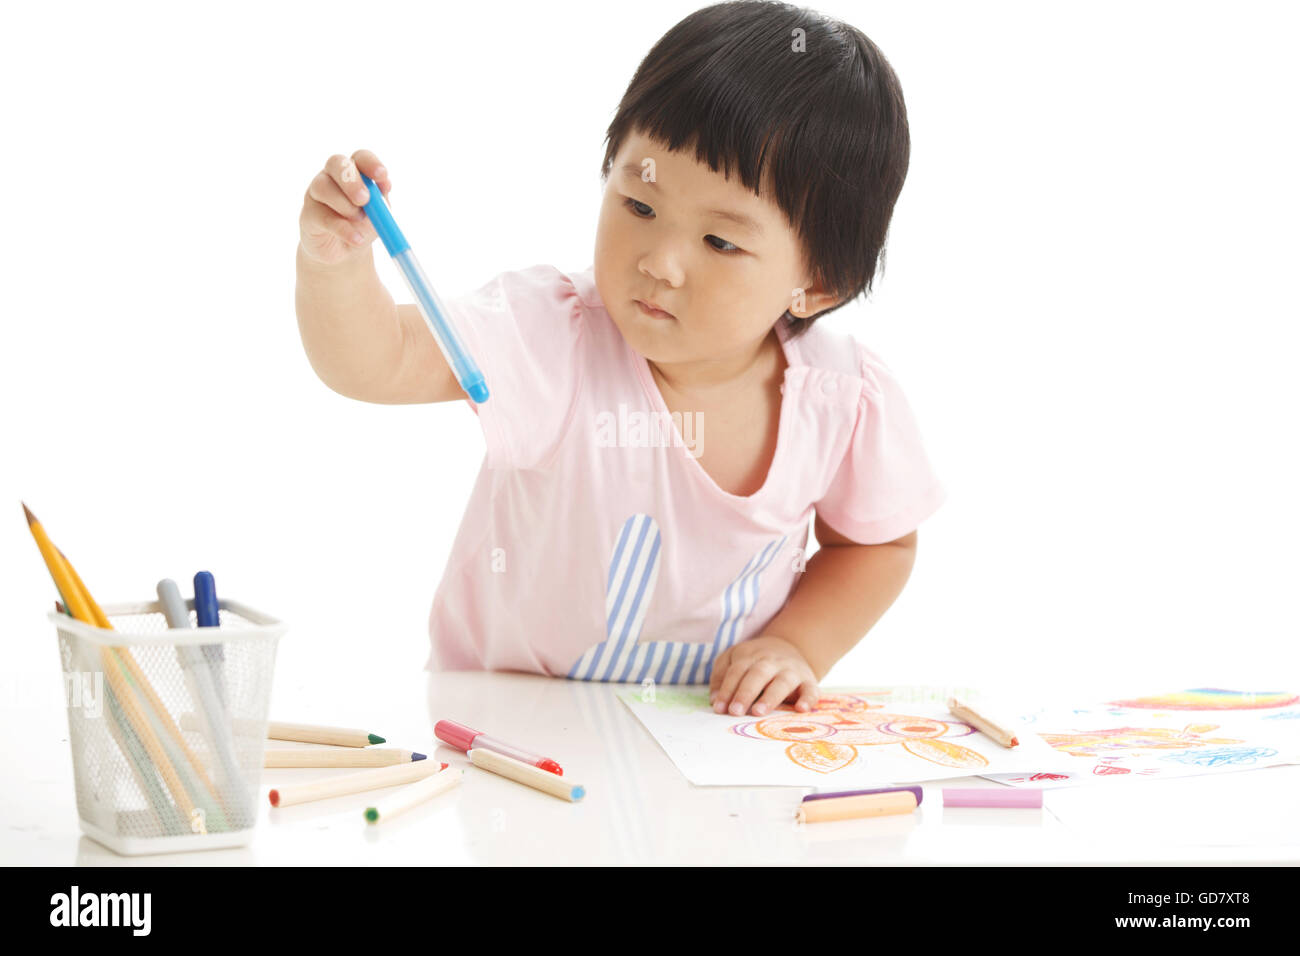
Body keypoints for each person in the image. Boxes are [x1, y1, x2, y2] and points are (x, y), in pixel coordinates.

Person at [294, 1, 944, 717]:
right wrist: (335, 268)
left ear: (816, 285)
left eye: (721, 243)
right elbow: (374, 362)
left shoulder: (842, 397)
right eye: (639, 205)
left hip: (700, 735)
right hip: (498, 722)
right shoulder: (554, 334)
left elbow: (876, 546)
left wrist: (797, 643)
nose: (660, 263)